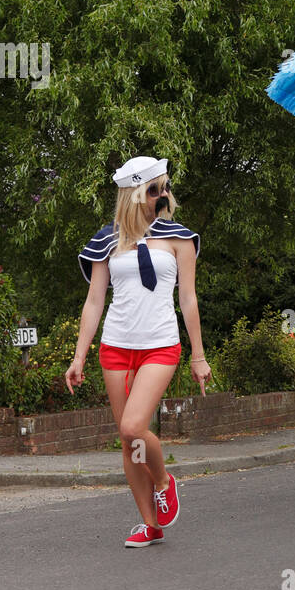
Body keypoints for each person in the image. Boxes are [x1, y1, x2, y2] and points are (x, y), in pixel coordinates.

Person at [66, 156, 209, 548]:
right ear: (132, 194)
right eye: (152, 189)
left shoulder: (179, 237)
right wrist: (79, 356)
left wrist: (199, 355)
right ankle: (149, 523)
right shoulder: (107, 240)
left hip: (160, 344)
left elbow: (188, 298)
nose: (161, 196)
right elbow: (94, 301)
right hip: (116, 345)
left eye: (164, 188)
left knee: (133, 427)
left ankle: (164, 481)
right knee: (129, 440)